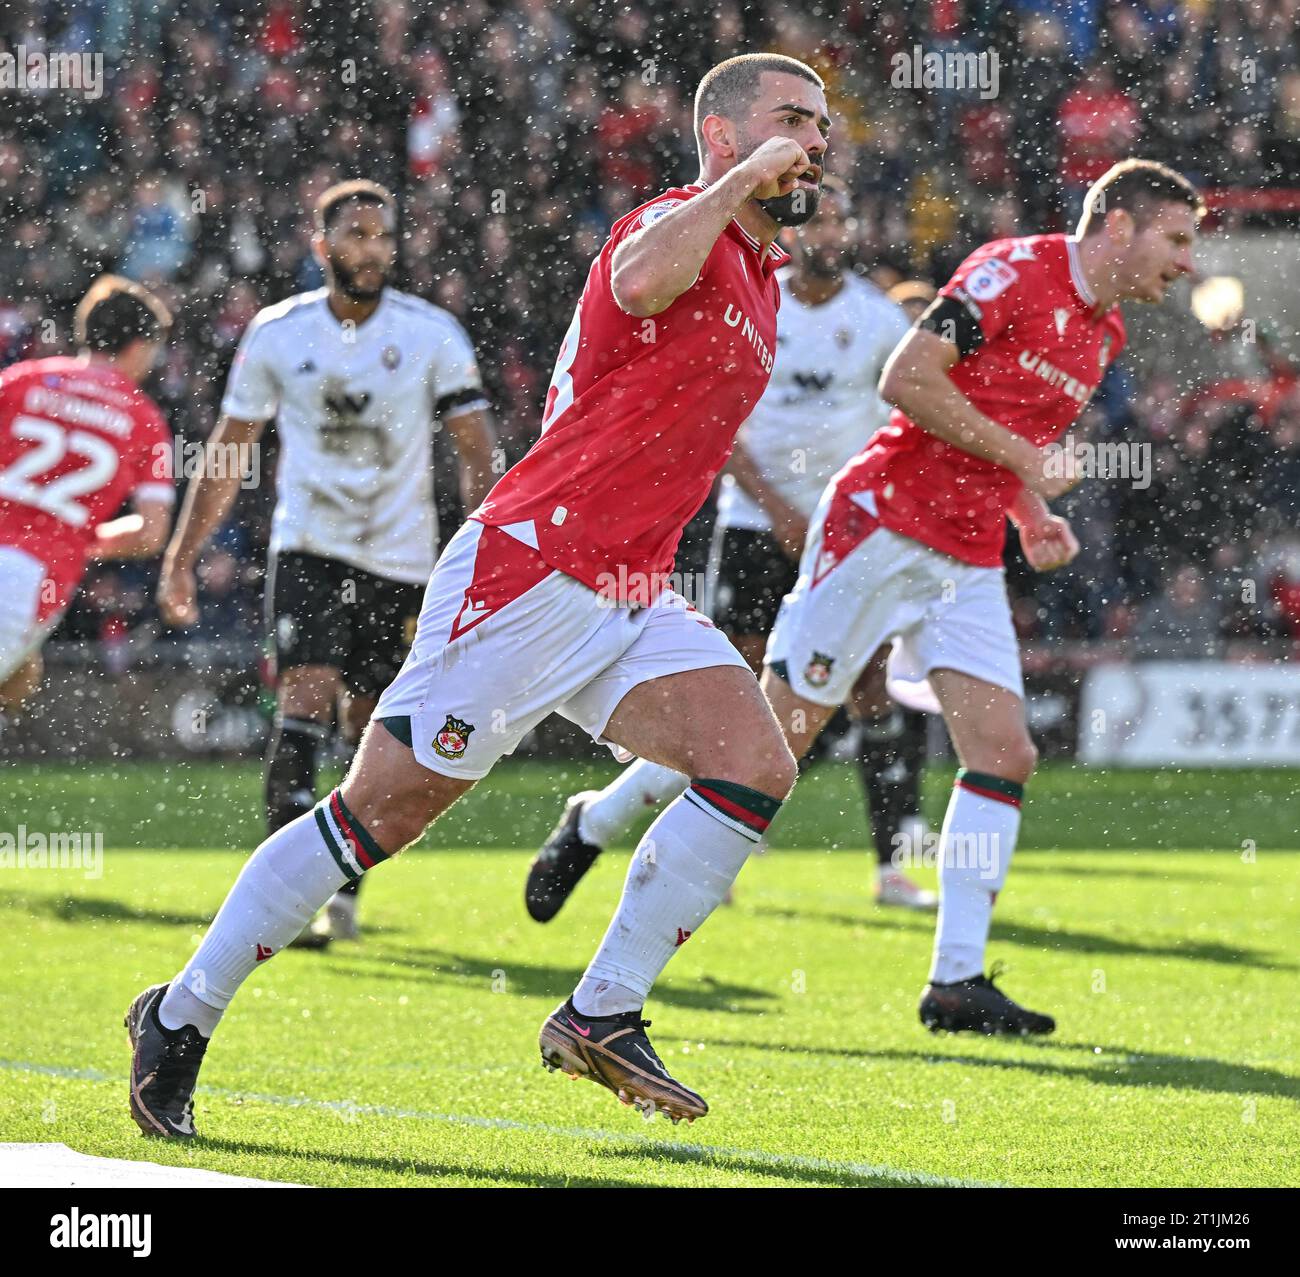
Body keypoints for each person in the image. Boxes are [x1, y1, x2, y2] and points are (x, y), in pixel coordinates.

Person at [127, 53, 829, 1136]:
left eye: (823, 126)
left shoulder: (761, 272)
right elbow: (640, 283)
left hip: (629, 587)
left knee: (753, 763)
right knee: (376, 814)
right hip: (532, 568)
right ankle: (178, 1014)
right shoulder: (681, 216)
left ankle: (602, 1010)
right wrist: (737, 186)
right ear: (728, 136)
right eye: (794, 119)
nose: (816, 141)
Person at [760, 158, 1202, 1035]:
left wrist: (1030, 508)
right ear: (1119, 225)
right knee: (770, 744)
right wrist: (1032, 467)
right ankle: (603, 817)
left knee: (1004, 752)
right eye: (1177, 238)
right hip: (882, 524)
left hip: (964, 554)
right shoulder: (1012, 270)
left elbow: (1007, 436)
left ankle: (955, 979)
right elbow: (906, 381)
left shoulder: (1104, 334)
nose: (1188, 261)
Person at [524, 176, 937, 924]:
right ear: (792, 228)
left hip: (841, 537)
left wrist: (857, 516)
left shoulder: (877, 320)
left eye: (844, 220)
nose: (832, 235)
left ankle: (896, 863)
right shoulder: (754, 297)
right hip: (752, 522)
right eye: (820, 220)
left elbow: (892, 432)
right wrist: (777, 505)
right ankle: (686, 842)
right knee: (732, 693)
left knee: (873, 685)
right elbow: (721, 417)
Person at [156, 180, 497, 947]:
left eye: (383, 236)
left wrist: (480, 550)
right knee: (306, 695)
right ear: (322, 247)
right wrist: (183, 554)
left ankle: (341, 889)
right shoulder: (278, 334)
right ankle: (283, 896)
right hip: (308, 543)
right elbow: (228, 449)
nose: (371, 249)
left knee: (369, 725)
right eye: (356, 235)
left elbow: (477, 451)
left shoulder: (434, 333)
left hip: (402, 557)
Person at [0, 276, 173, 718]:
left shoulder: (21, 380)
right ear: (137, 346)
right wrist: (78, 540)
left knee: (21, 678)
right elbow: (151, 533)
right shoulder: (143, 417)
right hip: (31, 576)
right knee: (17, 680)